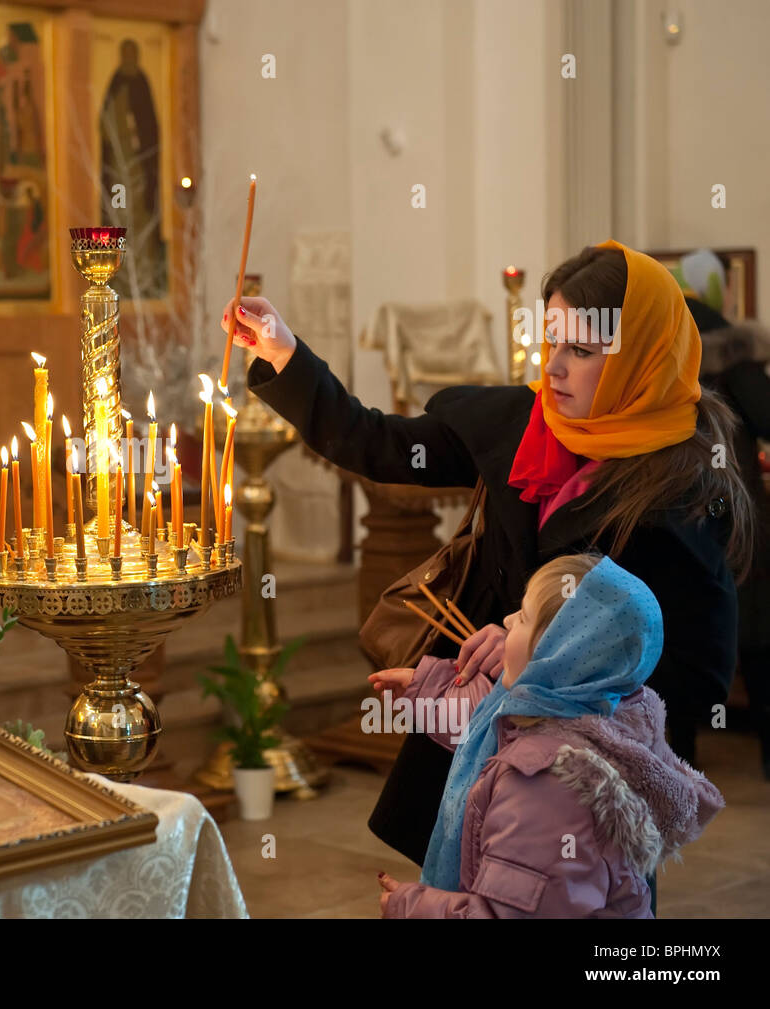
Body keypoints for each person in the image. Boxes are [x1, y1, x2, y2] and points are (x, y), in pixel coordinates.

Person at [224, 240, 752, 874]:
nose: (553, 368)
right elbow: (379, 443)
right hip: (474, 754)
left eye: (581, 352)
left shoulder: (681, 485)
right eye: (551, 341)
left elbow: (696, 673)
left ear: (638, 356)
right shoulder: (521, 421)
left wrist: (546, 653)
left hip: (582, 789)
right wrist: (283, 351)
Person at [373, 553, 723, 917]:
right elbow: (500, 726)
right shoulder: (608, 711)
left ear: (555, 654)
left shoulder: (544, 785)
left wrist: (412, 908)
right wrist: (428, 688)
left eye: (523, 617)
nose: (506, 621)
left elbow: (510, 913)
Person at [678, 251, 770, 779]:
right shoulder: (734, 351)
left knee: (683, 627)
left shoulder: (664, 342)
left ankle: (679, 756)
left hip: (681, 504)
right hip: (733, 506)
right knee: (755, 630)